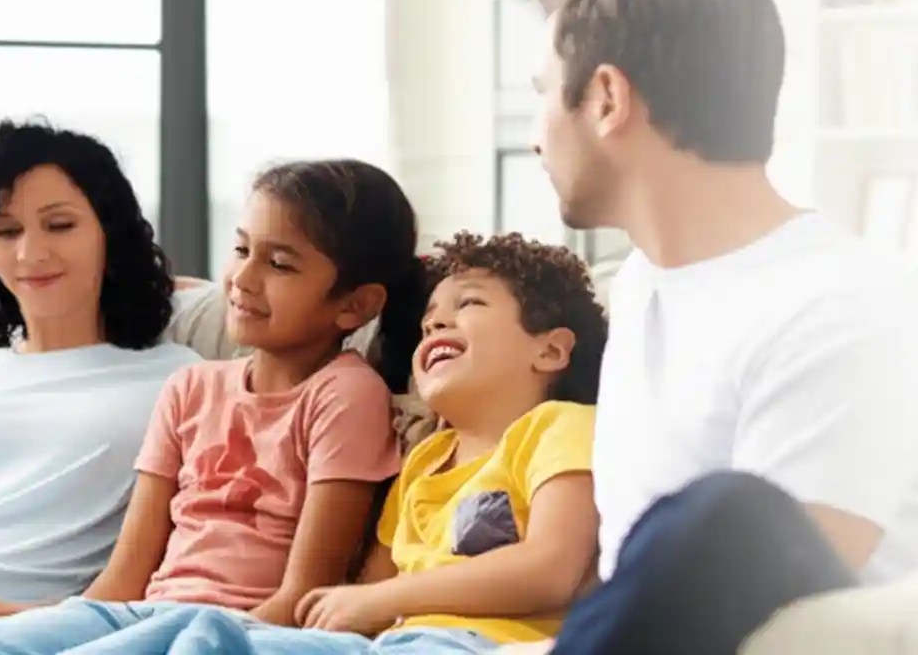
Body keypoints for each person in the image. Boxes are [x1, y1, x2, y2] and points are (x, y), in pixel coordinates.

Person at [519, 0, 918, 652]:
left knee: (726, 520)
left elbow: (770, 610)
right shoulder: (639, 284)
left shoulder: (842, 309)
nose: (538, 134)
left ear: (606, 97)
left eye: (543, 92)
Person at [0, 158, 427, 654]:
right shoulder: (189, 388)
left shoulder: (345, 395)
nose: (243, 279)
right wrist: (18, 618)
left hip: (234, 627)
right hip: (138, 614)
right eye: (241, 249)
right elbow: (123, 580)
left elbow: (301, 598)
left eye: (279, 264)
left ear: (355, 306)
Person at [158, 231, 608, 655]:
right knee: (213, 638)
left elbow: (552, 569)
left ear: (550, 351)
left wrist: (378, 601)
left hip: (483, 643)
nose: (435, 323)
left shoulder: (561, 427)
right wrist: (348, 610)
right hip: (391, 643)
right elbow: (371, 587)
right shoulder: (425, 458)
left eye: (468, 303)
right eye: (428, 321)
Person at [0, 120, 201, 604]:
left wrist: (34, 618)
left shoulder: (179, 378)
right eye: (6, 231)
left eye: (60, 225)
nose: (30, 253)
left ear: (109, 234)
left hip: (26, 620)